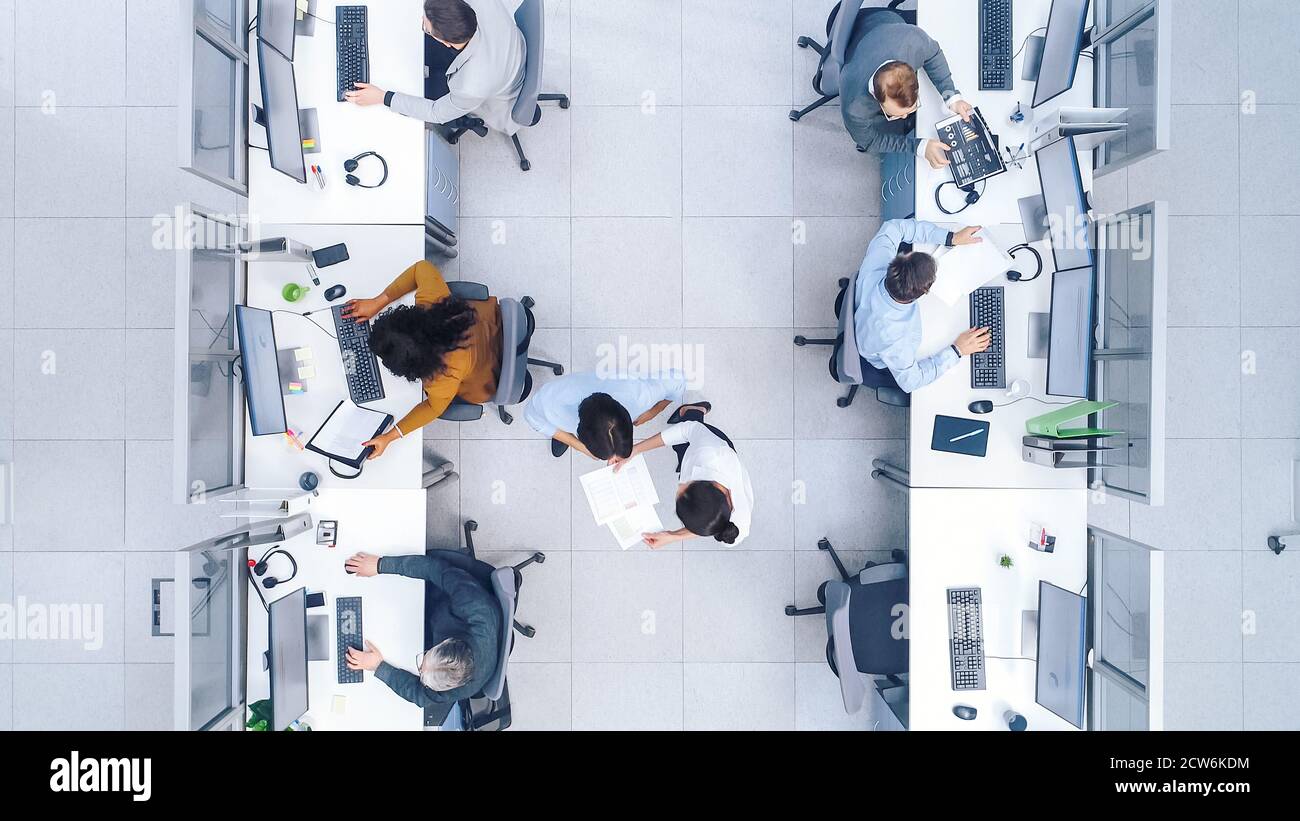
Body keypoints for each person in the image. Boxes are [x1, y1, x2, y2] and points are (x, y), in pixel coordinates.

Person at [343, 260, 500, 459]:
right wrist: (378, 302)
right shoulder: (431, 303)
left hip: (491, 370)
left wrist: (390, 436)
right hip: (495, 322)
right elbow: (422, 268)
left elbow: (434, 407)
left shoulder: (443, 378)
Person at [343, 551, 500, 722]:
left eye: (421, 675)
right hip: (450, 593)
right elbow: (437, 570)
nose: (419, 670)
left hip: (429, 621)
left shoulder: (463, 688)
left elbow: (421, 696)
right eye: (422, 663)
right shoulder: (474, 606)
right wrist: (381, 565)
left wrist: (378, 667)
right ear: (446, 641)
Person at [344, 0, 526, 137]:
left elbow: (435, 112)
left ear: (445, 42)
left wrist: (383, 97)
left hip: (499, 92)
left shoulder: (470, 87)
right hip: (509, 46)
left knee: (421, 90)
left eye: (426, 26)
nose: (423, 21)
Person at [854, 219, 991, 394]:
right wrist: (958, 350)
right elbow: (911, 382)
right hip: (880, 359)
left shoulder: (878, 260)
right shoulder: (897, 340)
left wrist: (951, 238)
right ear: (925, 290)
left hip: (865, 316)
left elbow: (894, 227)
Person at [838, 5, 974, 168]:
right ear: (876, 97)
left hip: (886, 24)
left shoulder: (914, 40)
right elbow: (869, 141)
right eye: (894, 114)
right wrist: (918, 147)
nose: (904, 117)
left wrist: (952, 98)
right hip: (864, 26)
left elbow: (934, 54)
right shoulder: (854, 108)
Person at [614, 402, 753, 549]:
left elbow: (706, 525)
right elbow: (687, 430)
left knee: (680, 450)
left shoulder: (734, 530)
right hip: (710, 440)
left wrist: (672, 536)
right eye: (684, 486)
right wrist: (635, 450)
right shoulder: (709, 450)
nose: (679, 485)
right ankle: (695, 410)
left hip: (697, 457)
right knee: (683, 437)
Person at [524, 371, 687, 460]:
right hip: (564, 406)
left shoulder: (640, 395)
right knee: (557, 427)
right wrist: (579, 447)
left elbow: (679, 381)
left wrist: (655, 410)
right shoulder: (551, 402)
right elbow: (533, 418)